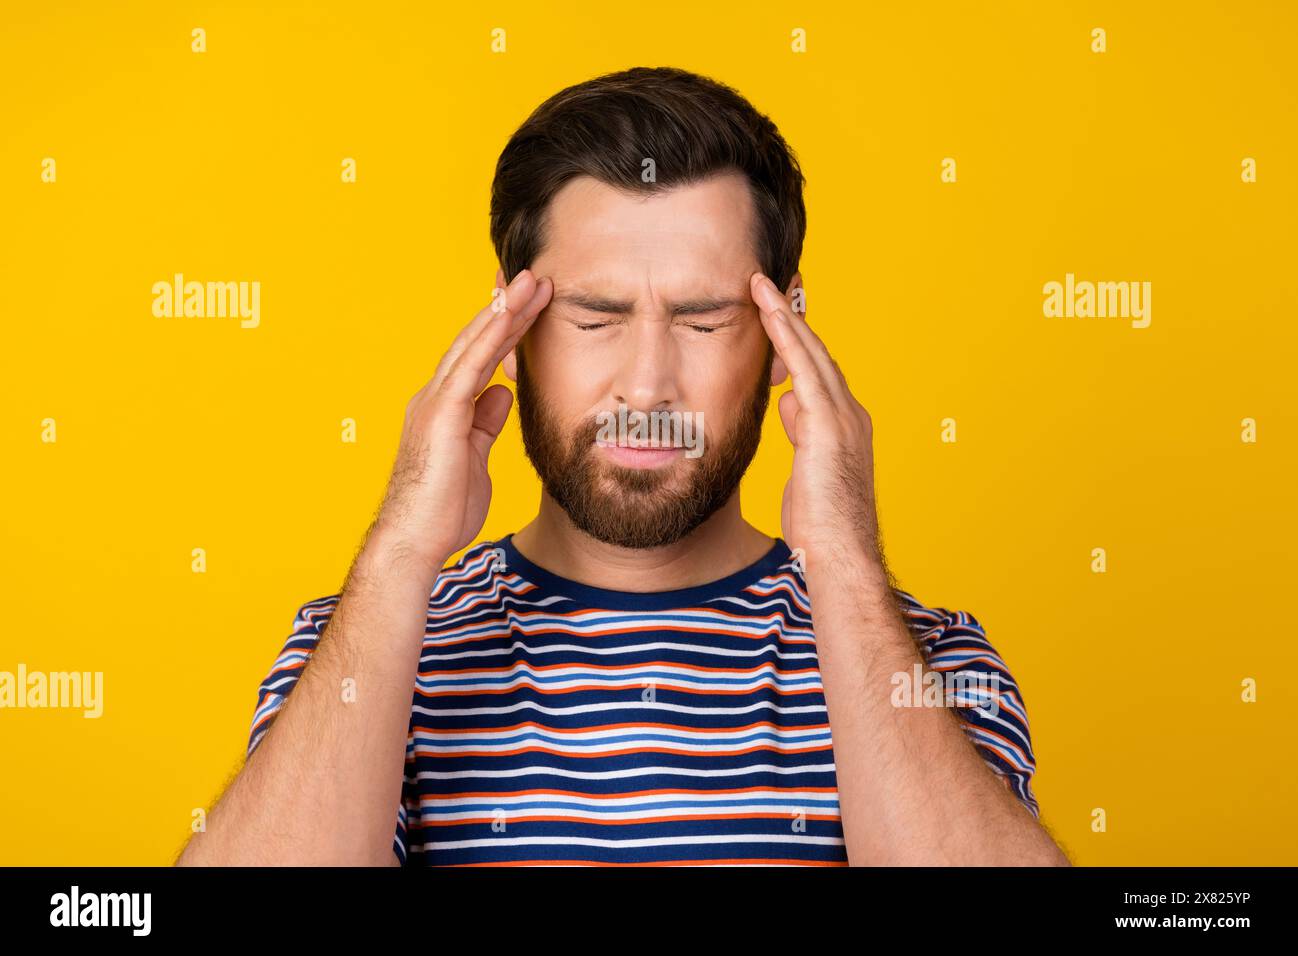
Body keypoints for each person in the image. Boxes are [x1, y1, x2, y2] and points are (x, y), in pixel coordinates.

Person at [178, 66, 1069, 866]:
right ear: (511, 325)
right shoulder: (368, 649)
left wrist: (842, 559)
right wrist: (402, 547)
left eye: (704, 319)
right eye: (596, 317)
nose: (647, 388)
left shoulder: (932, 661)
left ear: (784, 332)